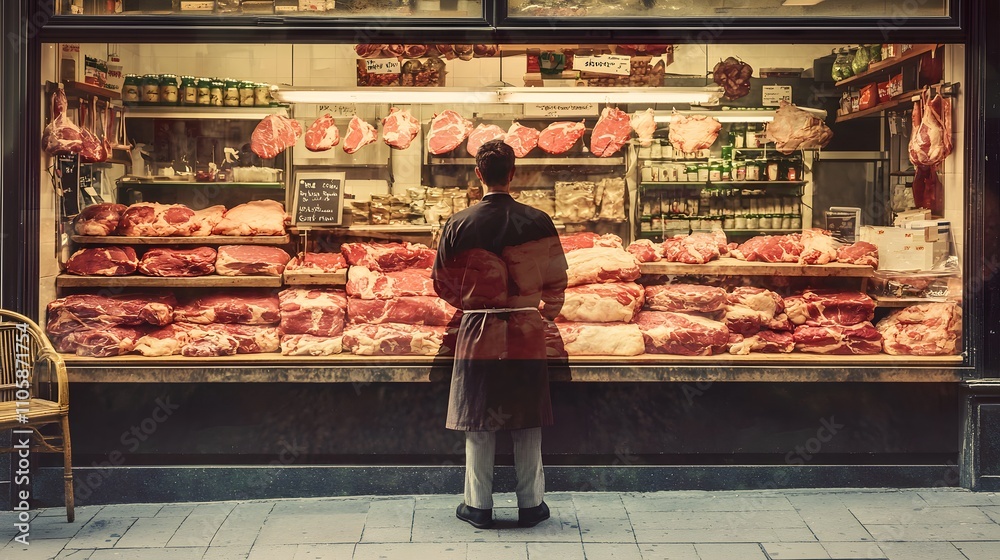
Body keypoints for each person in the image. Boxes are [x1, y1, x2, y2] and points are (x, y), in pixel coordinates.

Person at [432, 139, 568, 529]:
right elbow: (558, 277)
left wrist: (473, 301)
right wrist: (547, 311)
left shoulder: (459, 223)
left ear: (478, 175)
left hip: (478, 329)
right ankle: (531, 505)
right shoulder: (538, 220)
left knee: (479, 417)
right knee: (527, 419)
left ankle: (478, 506)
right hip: (526, 326)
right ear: (513, 173)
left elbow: (441, 283)